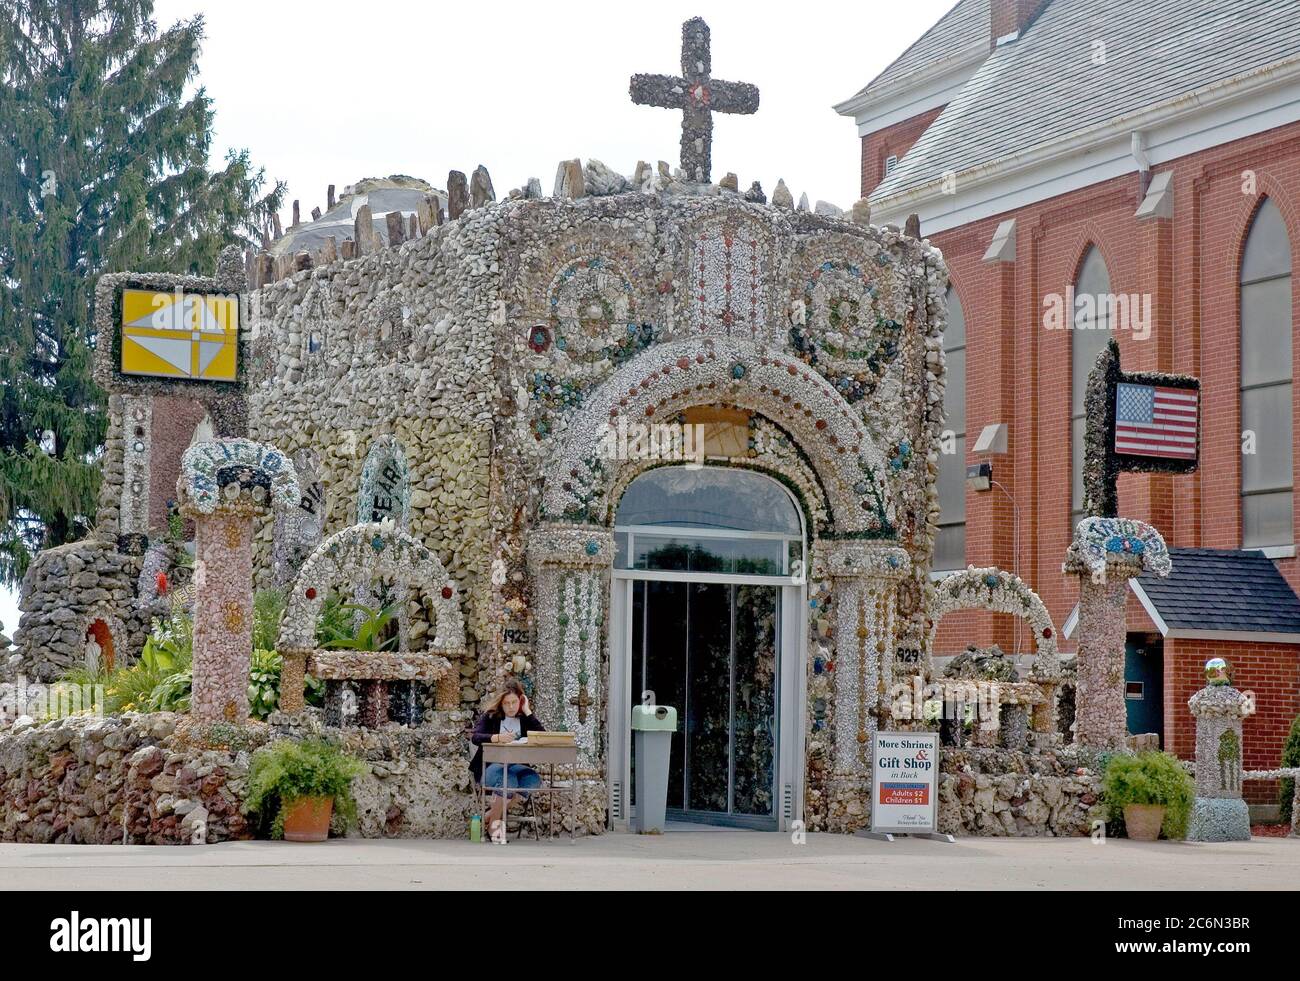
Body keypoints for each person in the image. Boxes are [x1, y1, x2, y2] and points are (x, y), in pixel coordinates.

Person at [470, 679, 546, 842]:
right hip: (489, 766)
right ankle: (494, 828)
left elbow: (542, 735)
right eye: (507, 703)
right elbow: (475, 737)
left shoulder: (525, 718)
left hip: (516, 766)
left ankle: (489, 815)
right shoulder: (491, 716)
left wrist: (527, 711)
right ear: (501, 703)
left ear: (521, 701)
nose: (511, 707)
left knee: (532, 779)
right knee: (509, 781)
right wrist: (498, 738)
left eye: (515, 702)